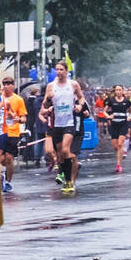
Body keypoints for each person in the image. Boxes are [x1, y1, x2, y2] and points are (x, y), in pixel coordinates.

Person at [38, 61, 85, 195]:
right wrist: (48, 99)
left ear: (66, 71)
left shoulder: (73, 84)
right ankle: (67, 175)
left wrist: (80, 106)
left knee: (65, 150)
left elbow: (81, 98)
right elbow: (45, 104)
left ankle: (70, 180)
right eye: (57, 70)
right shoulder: (51, 86)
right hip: (56, 124)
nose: (59, 72)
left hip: (69, 123)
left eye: (61, 70)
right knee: (60, 156)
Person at [0, 76, 26, 193]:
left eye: (9, 84)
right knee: (1, 159)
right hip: (1, 132)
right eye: (4, 84)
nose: (6, 86)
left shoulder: (18, 100)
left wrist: (17, 119)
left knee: (9, 157)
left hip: (13, 132)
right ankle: (2, 176)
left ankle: (8, 182)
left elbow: (24, 118)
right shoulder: (0, 99)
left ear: (13, 85)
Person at [104, 84, 129, 172]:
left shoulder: (126, 100)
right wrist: (108, 116)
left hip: (123, 124)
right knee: (115, 146)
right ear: (115, 91)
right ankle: (120, 153)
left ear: (122, 91)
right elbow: (104, 111)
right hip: (114, 125)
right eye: (117, 90)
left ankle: (119, 165)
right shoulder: (111, 100)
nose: (118, 92)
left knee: (120, 144)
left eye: (120, 90)